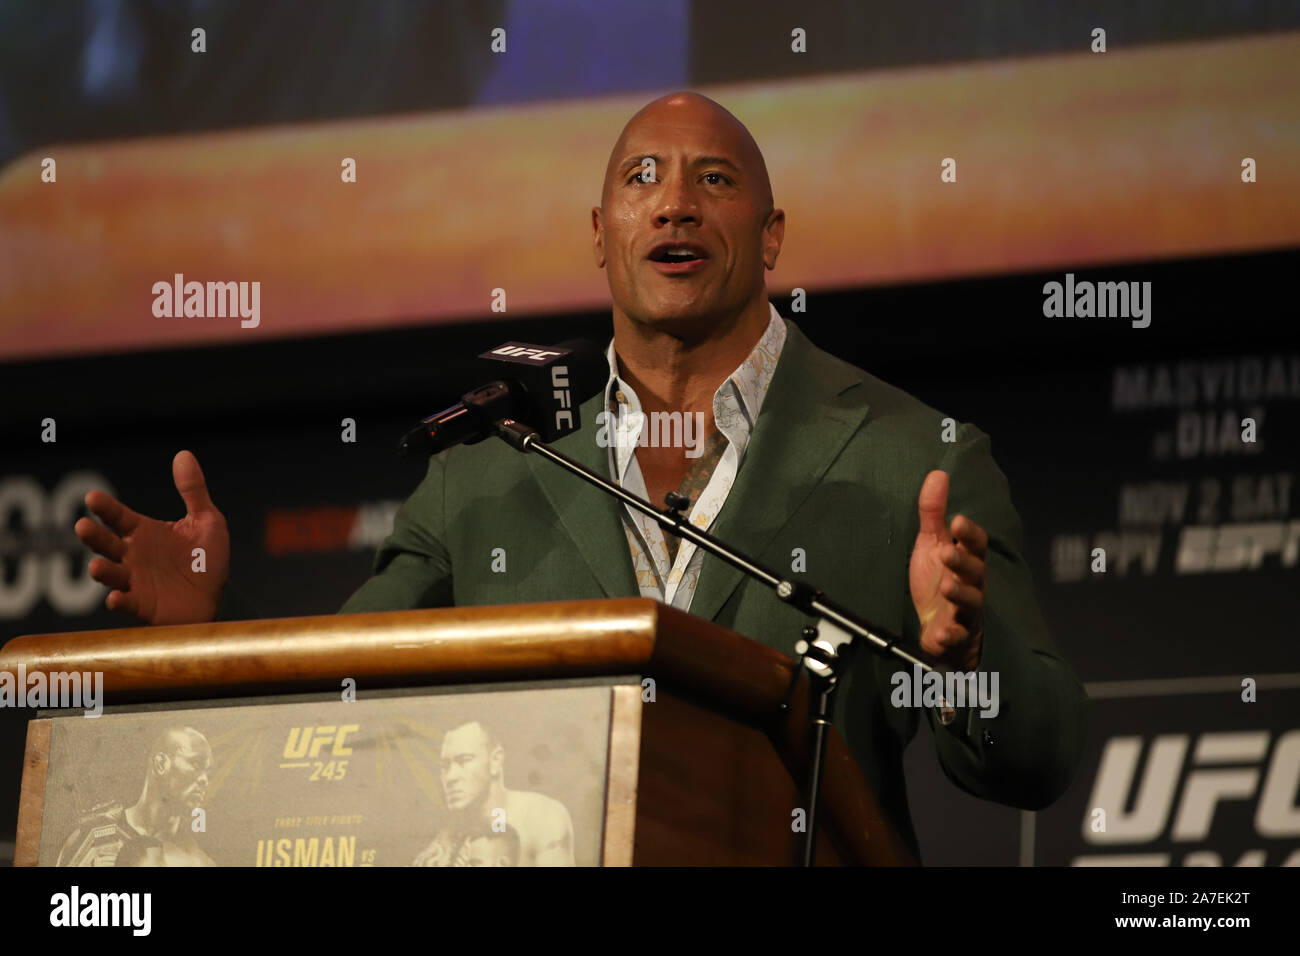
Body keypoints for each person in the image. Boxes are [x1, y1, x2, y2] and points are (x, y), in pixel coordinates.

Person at [76, 91, 1087, 863]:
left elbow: (1038, 756)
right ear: (598, 233)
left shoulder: (912, 456)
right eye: (641, 178)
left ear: (773, 234)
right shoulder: (484, 466)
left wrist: (962, 654)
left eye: (715, 181)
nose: (676, 202)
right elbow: (347, 716)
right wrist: (209, 636)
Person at [411, 719, 573, 866]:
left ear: (495, 760)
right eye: (445, 766)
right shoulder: (445, 842)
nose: (450, 777)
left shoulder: (541, 816)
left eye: (464, 760)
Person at [57, 726, 216, 866]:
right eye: (196, 764)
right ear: (160, 764)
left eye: (208, 772)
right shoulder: (91, 835)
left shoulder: (200, 861)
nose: (205, 780)